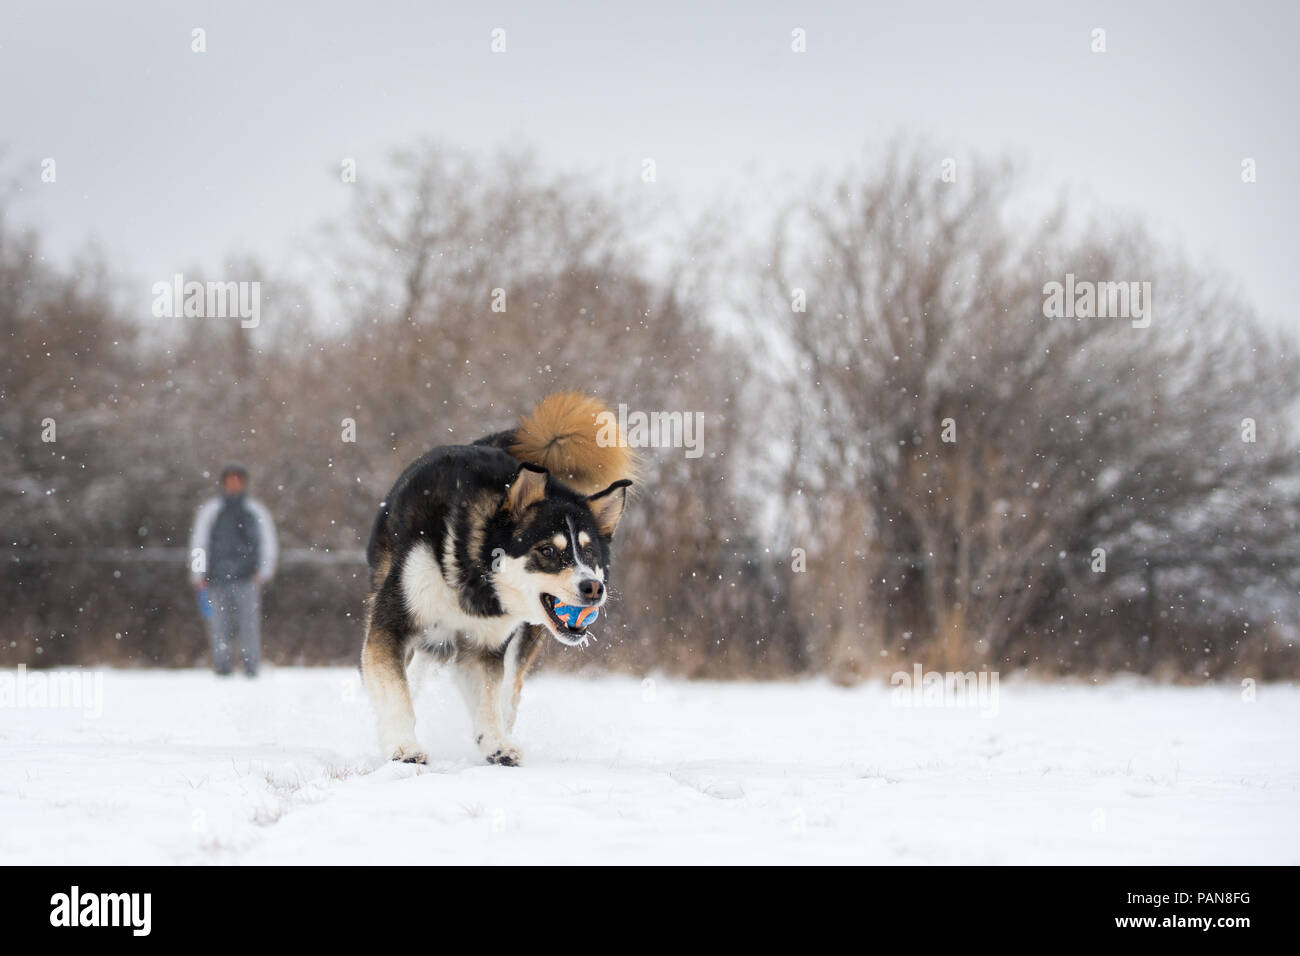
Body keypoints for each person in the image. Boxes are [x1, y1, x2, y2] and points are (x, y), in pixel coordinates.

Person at [188, 464, 278, 677]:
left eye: (237, 480)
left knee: (249, 626)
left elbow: (268, 542)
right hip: (216, 579)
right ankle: (222, 668)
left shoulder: (255, 511)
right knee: (218, 626)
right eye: (230, 480)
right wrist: (198, 573)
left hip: (247, 578)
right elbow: (199, 543)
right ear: (223, 483)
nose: (233, 484)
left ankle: (251, 668)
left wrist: (264, 571)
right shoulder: (211, 511)